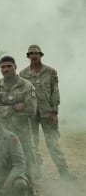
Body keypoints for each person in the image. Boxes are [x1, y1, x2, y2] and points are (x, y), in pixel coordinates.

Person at [0, 55, 39, 196]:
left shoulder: (26, 86)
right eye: (3, 67)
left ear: (15, 66)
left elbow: (31, 111)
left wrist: (2, 108)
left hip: (22, 135)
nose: (6, 69)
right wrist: (14, 108)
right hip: (0, 138)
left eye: (9, 66)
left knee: (27, 168)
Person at [20, 44, 72, 179]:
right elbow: (21, 93)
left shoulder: (51, 72)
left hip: (47, 112)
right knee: (32, 144)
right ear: (28, 56)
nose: (34, 56)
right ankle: (36, 173)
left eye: (36, 53)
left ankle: (64, 172)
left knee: (53, 143)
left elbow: (55, 92)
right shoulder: (23, 74)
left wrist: (55, 111)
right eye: (31, 54)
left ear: (41, 55)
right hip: (30, 114)